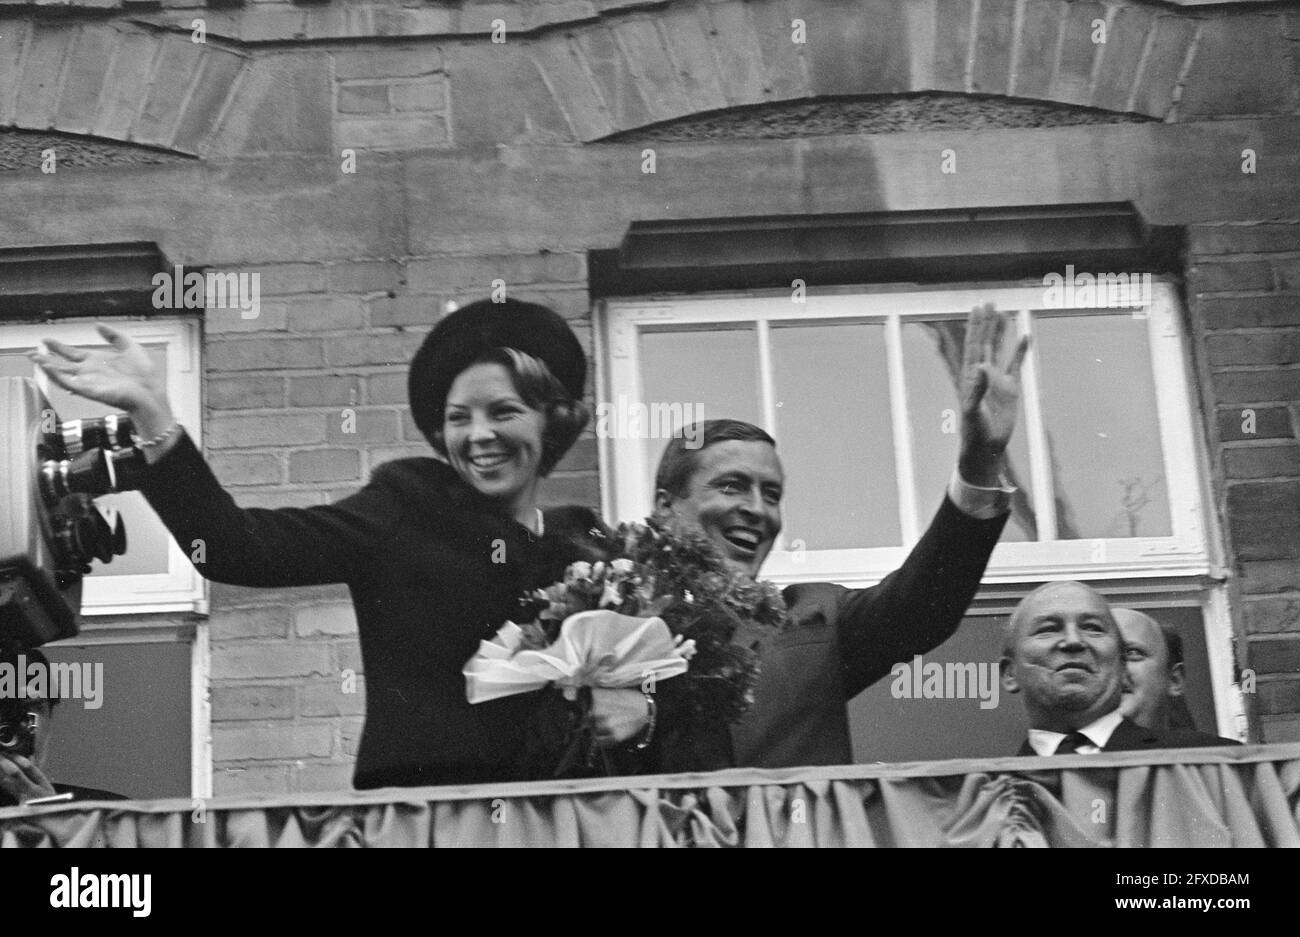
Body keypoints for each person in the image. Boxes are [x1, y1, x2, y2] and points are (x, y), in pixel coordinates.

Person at [30, 299, 648, 788]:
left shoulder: (585, 547)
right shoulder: (406, 508)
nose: (478, 435)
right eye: (459, 417)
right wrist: (153, 413)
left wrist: (641, 709)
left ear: (553, 421)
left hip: (566, 816)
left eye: (503, 411)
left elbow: (671, 681)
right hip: (430, 819)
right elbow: (233, 546)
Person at [650, 304, 1027, 768]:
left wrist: (979, 462)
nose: (756, 510)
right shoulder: (604, 620)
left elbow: (923, 604)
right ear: (666, 508)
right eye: (731, 486)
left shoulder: (813, 618)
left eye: (771, 494)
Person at [1001, 582, 1235, 754]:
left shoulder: (1216, 764)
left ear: (1120, 664)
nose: (1073, 640)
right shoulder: (986, 793)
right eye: (1047, 629)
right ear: (1010, 674)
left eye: (1093, 627)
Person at [0, 647, 124, 807]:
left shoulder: (105, 814)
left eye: (29, 707)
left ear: (50, 716)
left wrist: (56, 818)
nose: (14, 729)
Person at [1115, 607, 1201, 733]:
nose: (1114, 668)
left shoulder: (1224, 751)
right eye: (1102, 658)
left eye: (1132, 653)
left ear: (1174, 680)